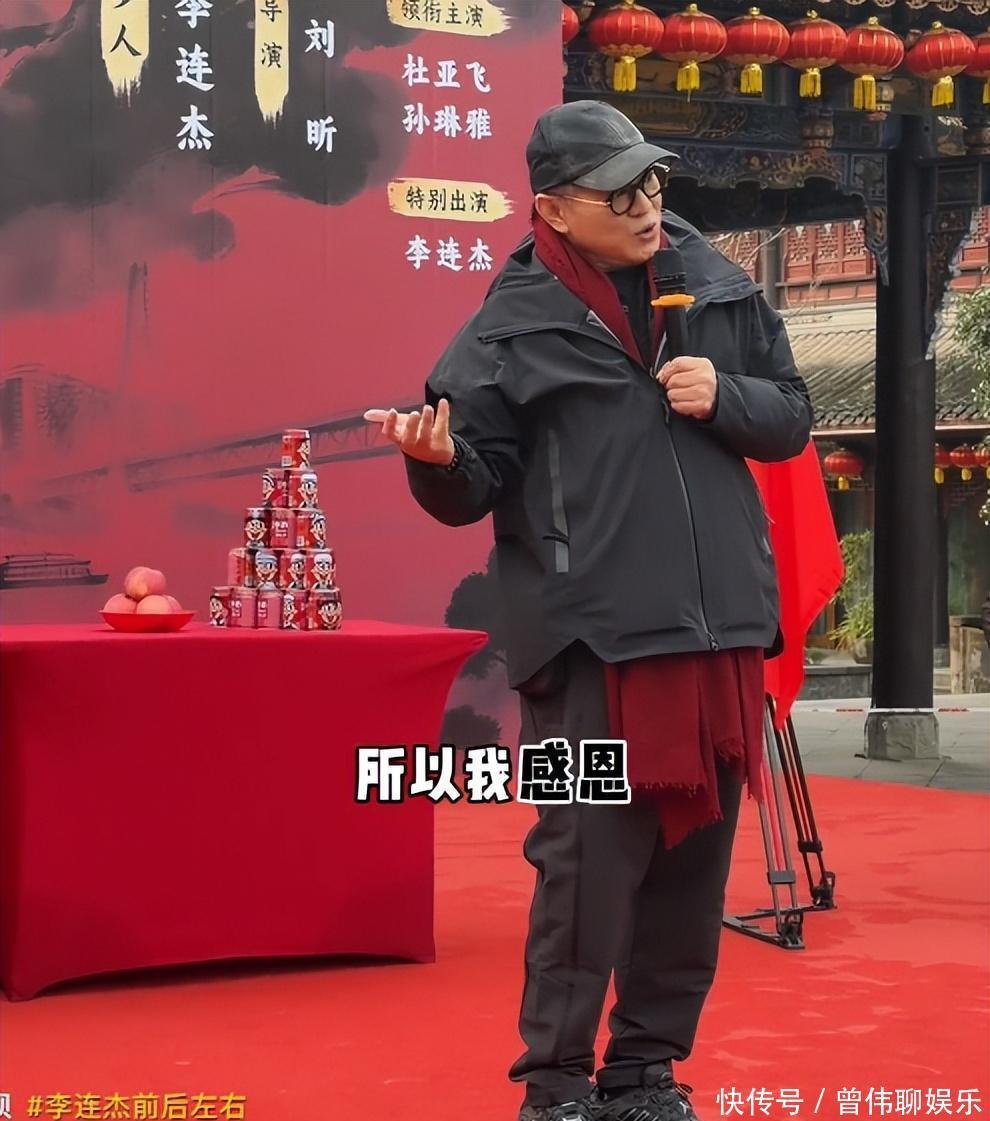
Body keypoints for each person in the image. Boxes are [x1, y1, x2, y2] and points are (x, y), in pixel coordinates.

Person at [365, 100, 813, 1121]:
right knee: (583, 863)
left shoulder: (717, 284)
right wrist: (434, 463)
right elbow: (471, 480)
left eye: (653, 183)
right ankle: (557, 1084)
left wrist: (726, 395)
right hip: (585, 642)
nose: (648, 207)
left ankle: (645, 1072)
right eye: (621, 194)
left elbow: (790, 413)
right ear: (556, 209)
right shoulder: (506, 327)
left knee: (694, 867)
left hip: (718, 630)